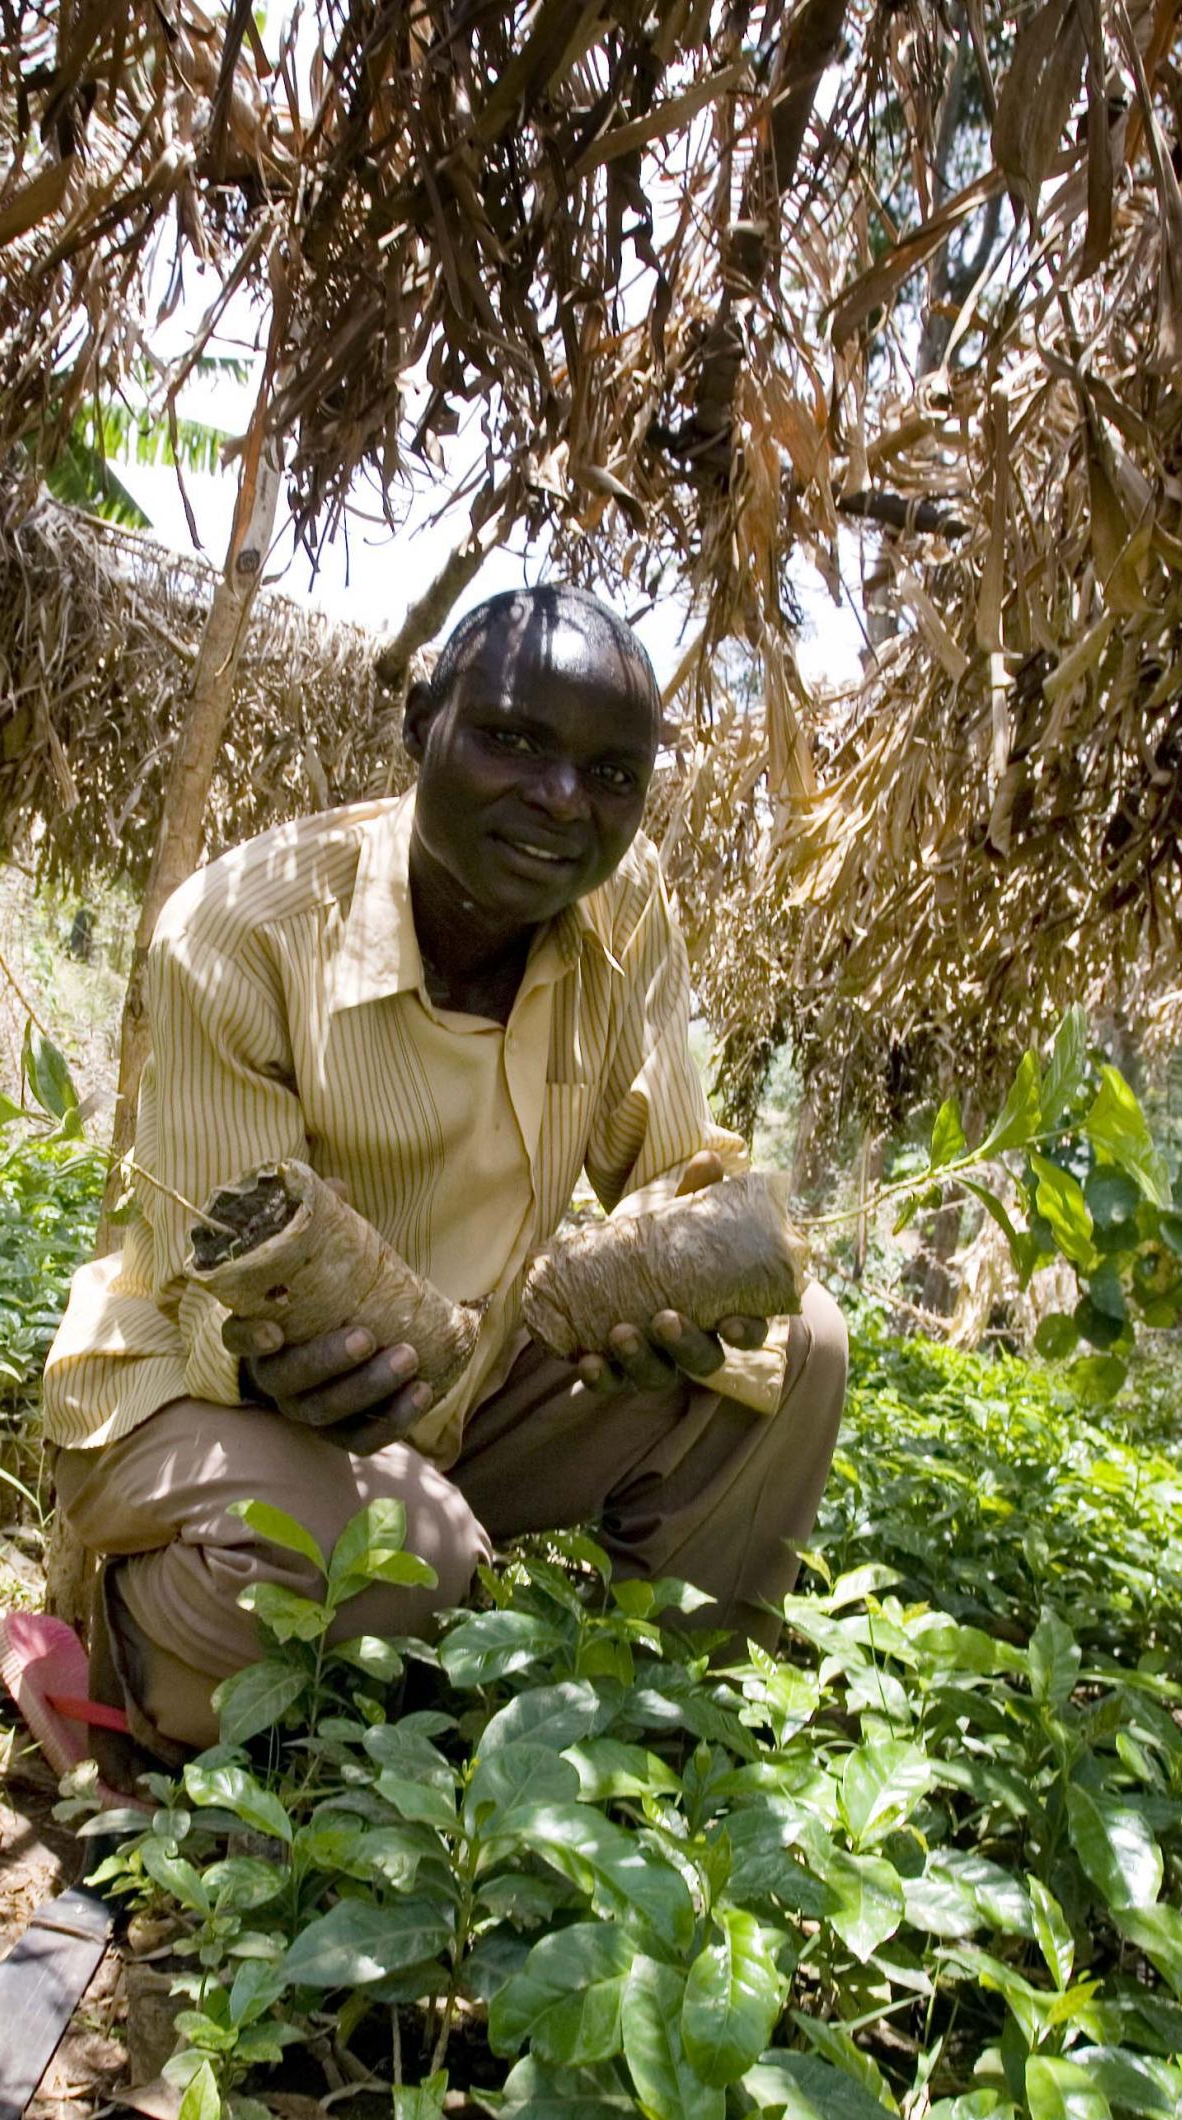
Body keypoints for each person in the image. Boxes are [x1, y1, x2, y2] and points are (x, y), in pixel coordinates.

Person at [41, 583, 850, 1753]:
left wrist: (682, 1290)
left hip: (462, 1385)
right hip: (204, 1391)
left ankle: (655, 1732)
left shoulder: (622, 907)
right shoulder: (242, 932)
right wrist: (290, 1379)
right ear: (424, 718)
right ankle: (128, 1615)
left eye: (611, 776)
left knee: (795, 1343)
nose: (562, 802)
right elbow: (209, 1294)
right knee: (405, 1558)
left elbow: (672, 1173)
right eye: (514, 741)